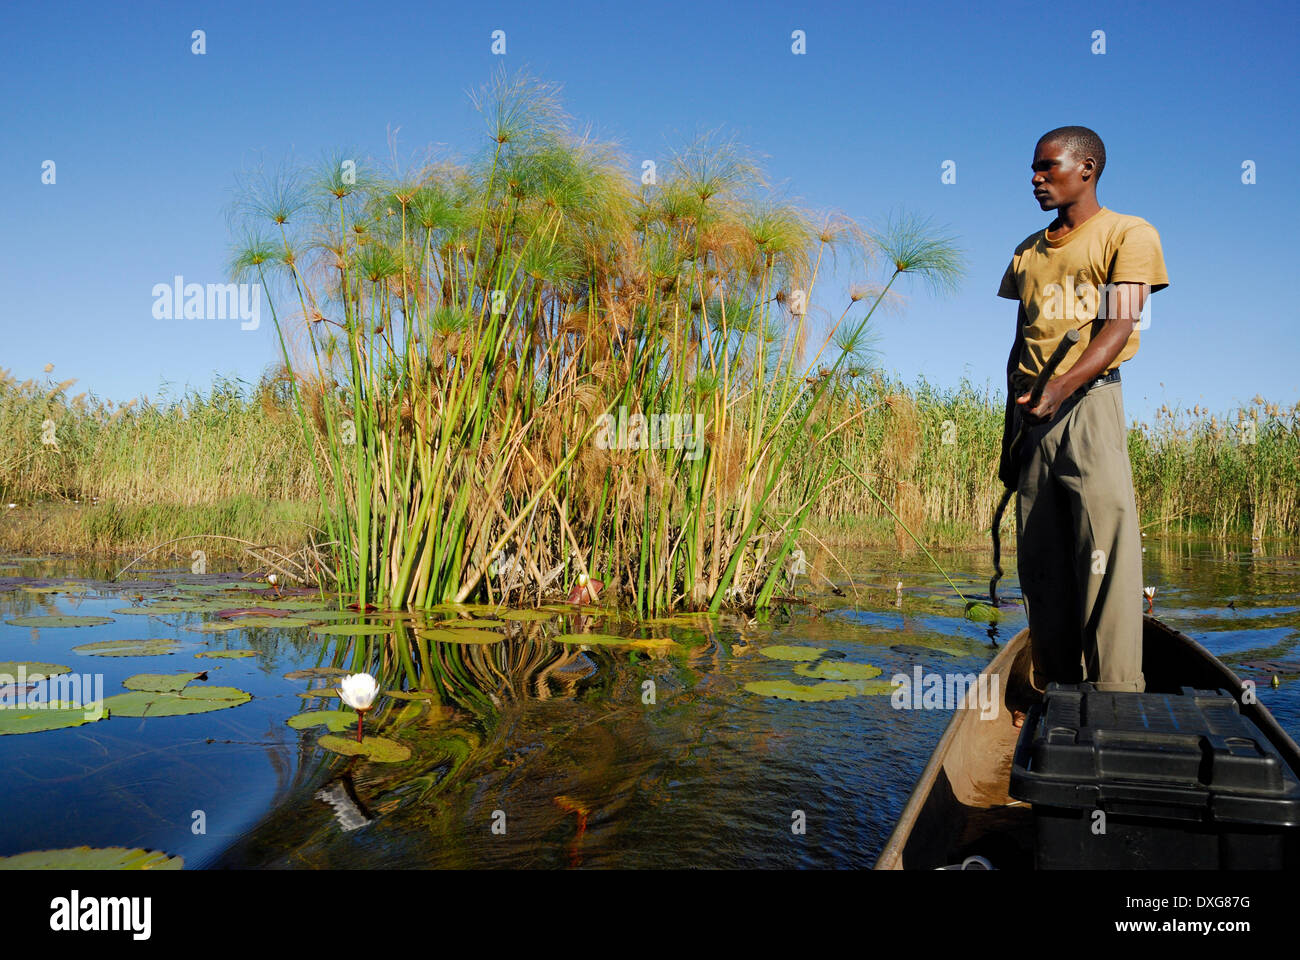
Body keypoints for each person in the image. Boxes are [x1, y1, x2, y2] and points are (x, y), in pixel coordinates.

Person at [996, 126, 1169, 721]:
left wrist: (1063, 388)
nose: (1036, 178)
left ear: (1088, 167)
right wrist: (1011, 428)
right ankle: (1058, 692)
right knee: (1040, 556)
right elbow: (1021, 338)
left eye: (1048, 167)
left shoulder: (1128, 233)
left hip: (1088, 405)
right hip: (1030, 413)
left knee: (1105, 548)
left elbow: (1119, 326)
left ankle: (1117, 700)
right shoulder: (1027, 250)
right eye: (1034, 168)